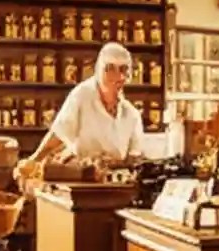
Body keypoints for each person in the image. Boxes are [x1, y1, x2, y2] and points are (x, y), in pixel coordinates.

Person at [15, 42, 144, 177]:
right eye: (110, 69)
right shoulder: (83, 94)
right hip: (81, 177)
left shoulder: (131, 115)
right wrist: (34, 160)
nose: (117, 76)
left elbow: (135, 158)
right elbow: (59, 132)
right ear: (99, 71)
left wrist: (117, 163)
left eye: (123, 70)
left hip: (115, 183)